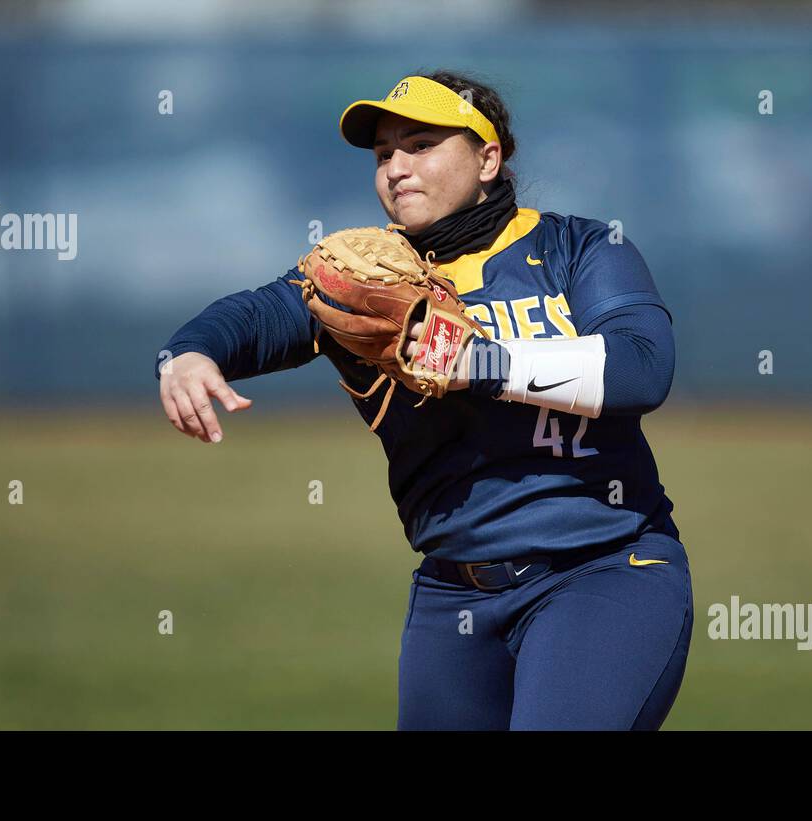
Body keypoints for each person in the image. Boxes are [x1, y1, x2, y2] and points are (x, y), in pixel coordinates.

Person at [156, 70, 693, 730]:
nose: (396, 168)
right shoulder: (362, 284)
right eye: (384, 153)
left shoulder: (577, 247)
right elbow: (256, 317)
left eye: (420, 144)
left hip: (602, 572)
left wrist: (474, 361)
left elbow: (642, 368)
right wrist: (188, 354)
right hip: (453, 596)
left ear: (489, 158)